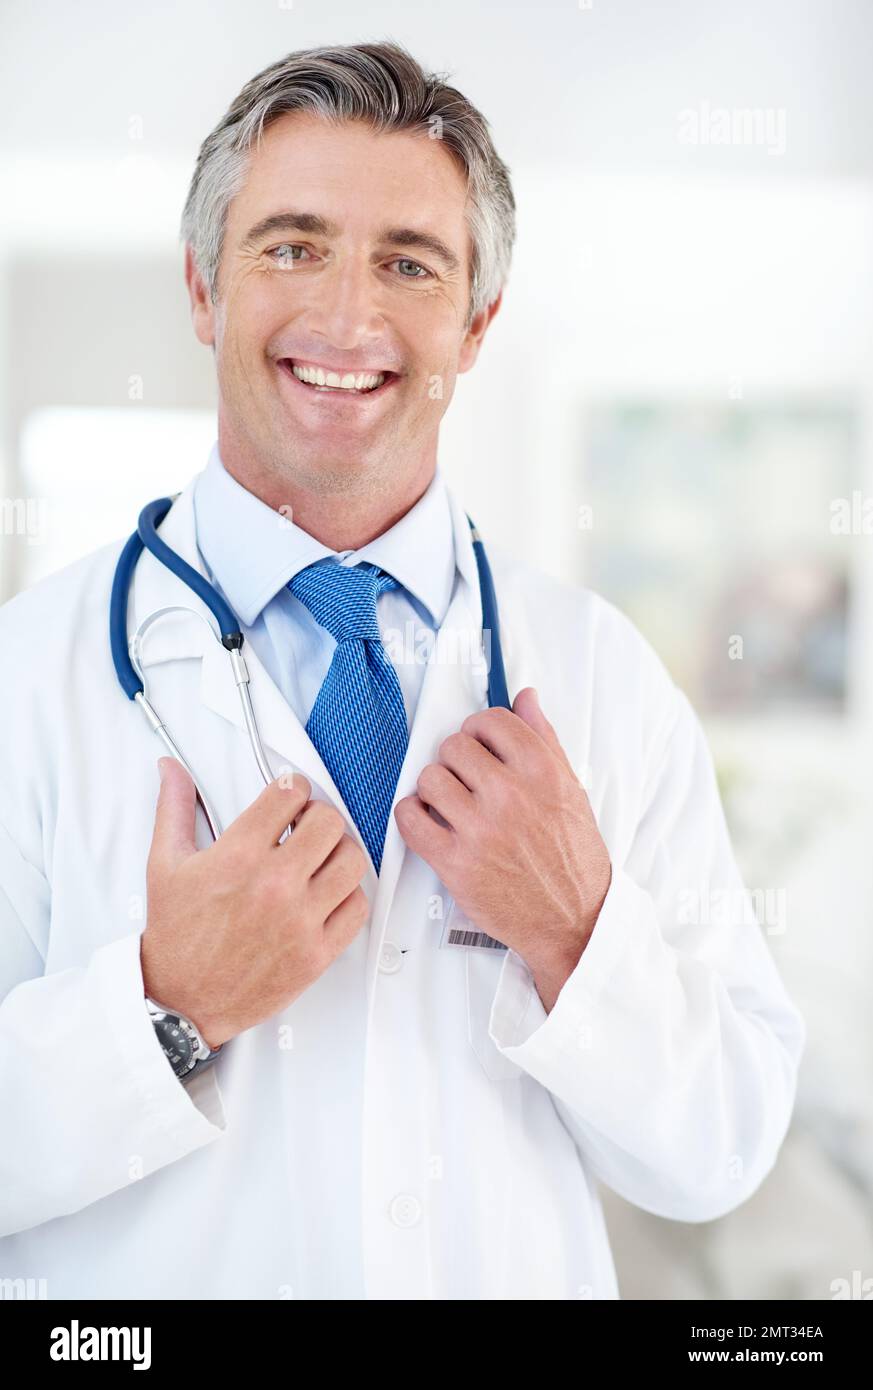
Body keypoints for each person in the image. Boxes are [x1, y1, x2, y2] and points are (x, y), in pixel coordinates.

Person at [0, 41, 804, 1300]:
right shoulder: (27, 677)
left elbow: (721, 1154)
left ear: (476, 322)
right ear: (205, 291)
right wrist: (164, 1006)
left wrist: (579, 937)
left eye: (409, 264)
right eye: (292, 245)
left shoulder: (598, 676)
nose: (347, 318)